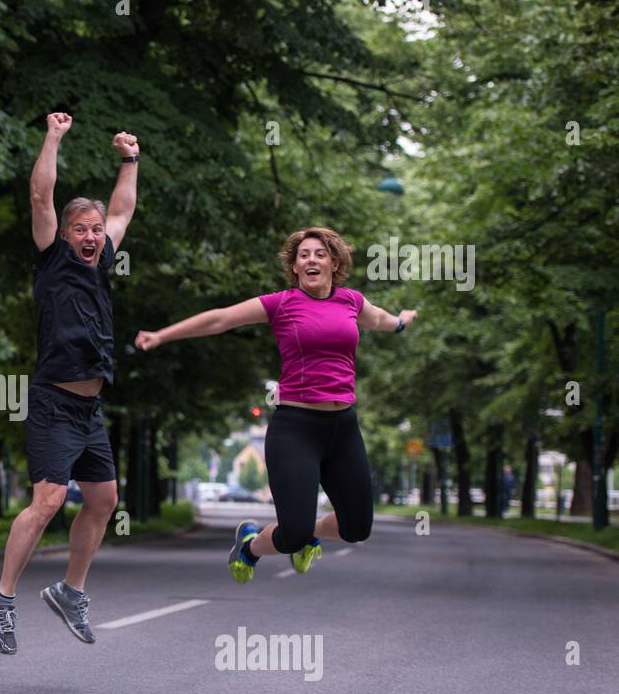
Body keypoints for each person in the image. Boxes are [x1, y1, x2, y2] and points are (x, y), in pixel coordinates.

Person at [135, 227, 418, 582]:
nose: (311, 259)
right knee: (292, 534)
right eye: (303, 255)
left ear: (334, 261)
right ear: (295, 267)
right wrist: (163, 335)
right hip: (296, 428)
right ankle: (249, 546)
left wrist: (403, 321)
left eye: (319, 253)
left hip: (343, 428)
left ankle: (314, 533)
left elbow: (382, 320)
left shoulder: (352, 301)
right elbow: (221, 319)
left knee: (357, 527)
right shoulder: (281, 303)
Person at [0, 112, 140, 655]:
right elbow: (41, 195)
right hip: (52, 400)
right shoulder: (52, 261)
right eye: (82, 230)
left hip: (90, 409)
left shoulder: (102, 262)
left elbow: (123, 208)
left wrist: (130, 159)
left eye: (95, 230)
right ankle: (1, 596)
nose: (92, 236)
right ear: (65, 235)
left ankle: (71, 591)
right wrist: (53, 136)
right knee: (47, 500)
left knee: (103, 500)